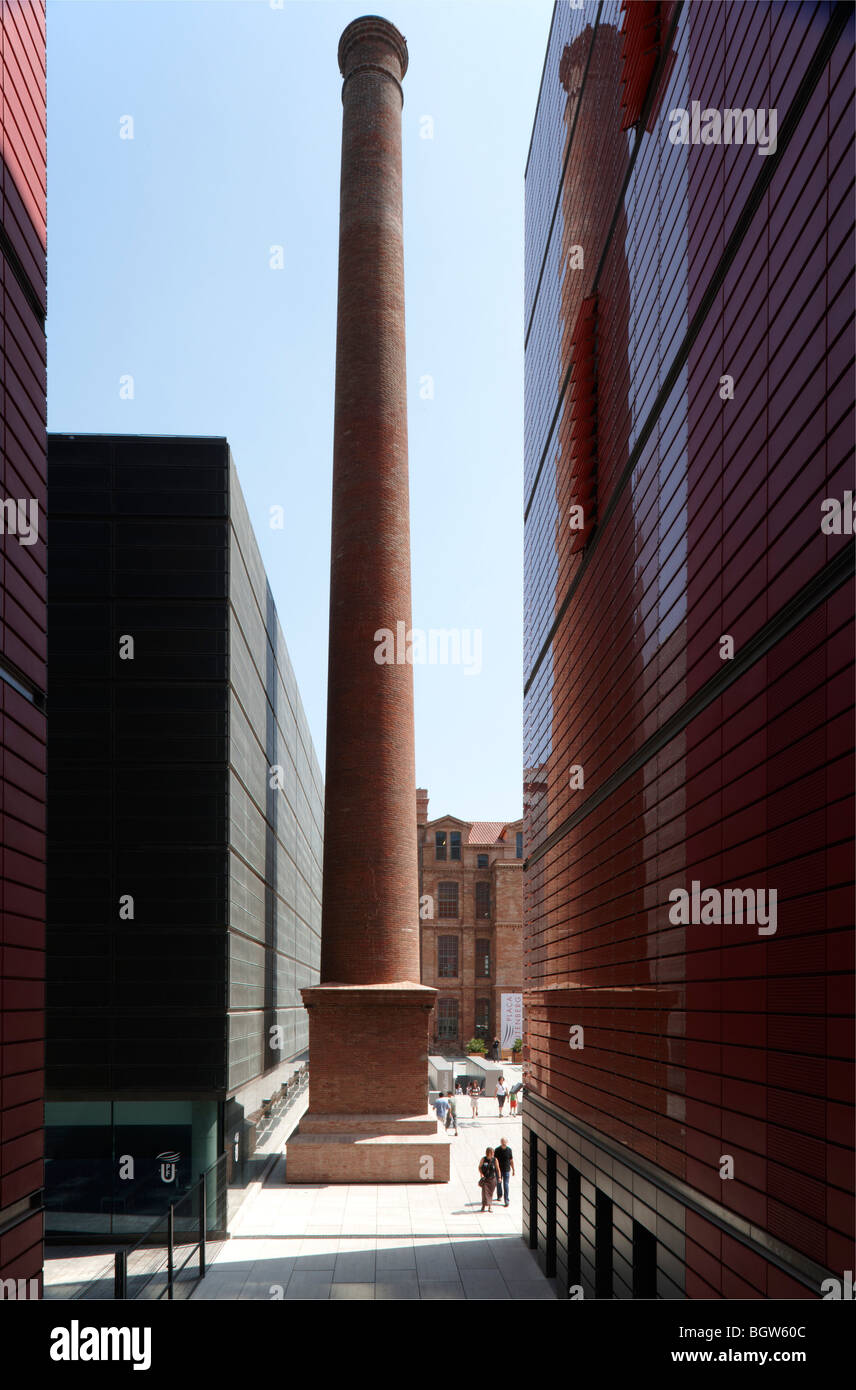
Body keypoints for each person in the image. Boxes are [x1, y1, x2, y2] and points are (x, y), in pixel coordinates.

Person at [494, 1137, 515, 1206]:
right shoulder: (497, 1150)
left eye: (504, 1142)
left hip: (506, 1170)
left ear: (506, 1142)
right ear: (500, 1142)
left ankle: (506, 1200)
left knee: (505, 1184)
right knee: (498, 1183)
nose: (503, 1143)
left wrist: (513, 1169)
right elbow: (494, 1160)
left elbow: (511, 1160)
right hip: (499, 1170)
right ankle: (499, 1195)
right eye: (502, 1141)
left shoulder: (509, 1150)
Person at [478, 1147, 501, 1211]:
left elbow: (498, 1169)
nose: (493, 1153)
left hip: (492, 1179)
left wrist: (499, 1177)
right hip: (485, 1179)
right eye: (492, 1152)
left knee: (490, 1193)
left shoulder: (495, 1160)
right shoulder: (483, 1159)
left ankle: (490, 1206)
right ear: (488, 1153)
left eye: (493, 1152)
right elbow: (479, 1167)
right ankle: (483, 1205)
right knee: (484, 1193)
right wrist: (481, 1174)